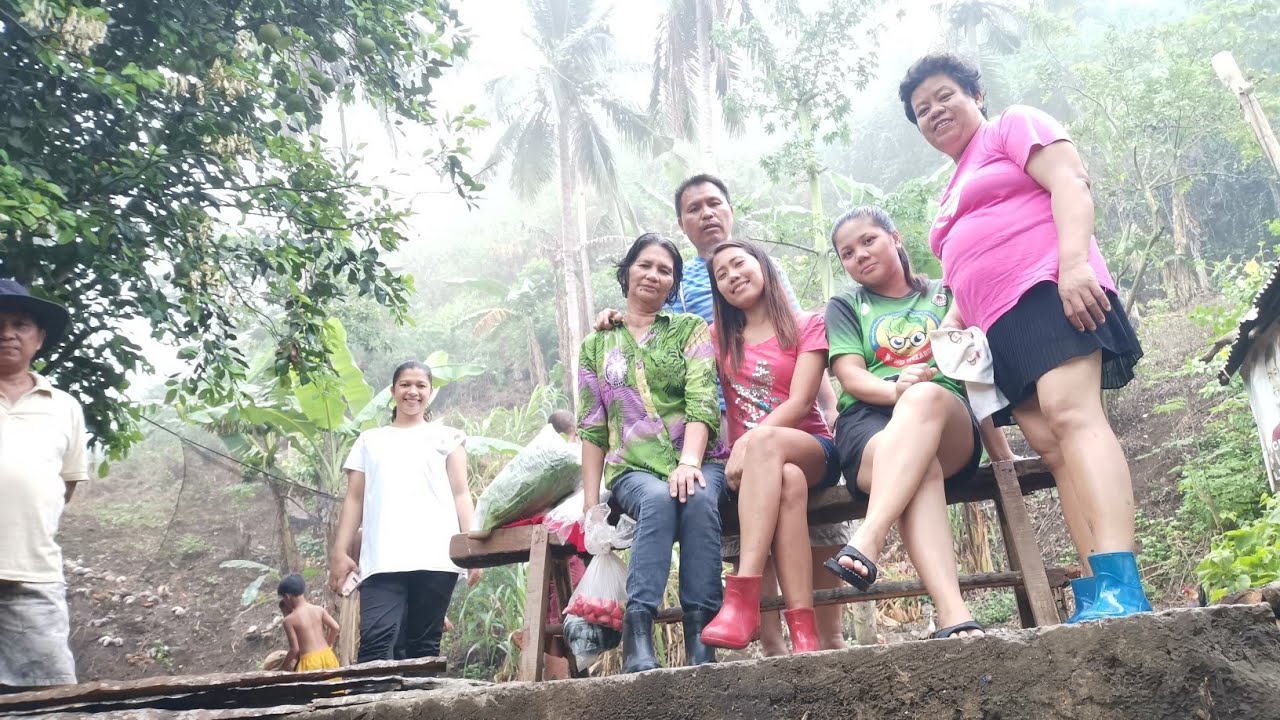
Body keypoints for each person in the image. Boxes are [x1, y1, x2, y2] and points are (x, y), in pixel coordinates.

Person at [899, 53, 1150, 621]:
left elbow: (1069, 181)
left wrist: (1073, 264)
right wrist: (941, 335)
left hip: (1047, 285)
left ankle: (1123, 583)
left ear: (976, 96)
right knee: (1054, 447)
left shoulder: (1013, 125)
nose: (934, 111)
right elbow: (965, 276)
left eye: (944, 96)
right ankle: (1098, 588)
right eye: (921, 110)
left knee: (1072, 415)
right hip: (997, 327)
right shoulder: (948, 192)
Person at [596, 174, 854, 653]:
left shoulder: (798, 316)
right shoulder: (705, 327)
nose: (707, 213)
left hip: (783, 438)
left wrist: (829, 409)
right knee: (787, 485)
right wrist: (616, 318)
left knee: (806, 509)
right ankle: (795, 638)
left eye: (715, 203)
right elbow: (651, 321)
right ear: (681, 222)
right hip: (720, 440)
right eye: (694, 208)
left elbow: (801, 380)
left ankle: (750, 598)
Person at [824, 207, 1015, 639]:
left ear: (895, 237)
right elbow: (850, 376)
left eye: (868, 240)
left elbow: (975, 369)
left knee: (926, 395)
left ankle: (869, 536)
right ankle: (954, 615)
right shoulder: (846, 305)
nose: (860, 255)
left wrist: (1000, 449)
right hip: (868, 423)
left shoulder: (947, 292)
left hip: (946, 418)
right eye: (847, 253)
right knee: (919, 464)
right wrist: (894, 389)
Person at [578, 233, 726, 673]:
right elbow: (592, 427)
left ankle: (702, 634)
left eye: (665, 270)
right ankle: (637, 633)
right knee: (658, 499)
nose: (654, 275)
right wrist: (590, 504)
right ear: (627, 273)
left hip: (699, 457)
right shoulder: (597, 345)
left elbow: (703, 400)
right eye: (645, 265)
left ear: (674, 284)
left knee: (696, 497)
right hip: (634, 468)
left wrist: (689, 463)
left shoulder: (688, 330)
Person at [697, 239, 842, 654]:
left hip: (812, 447)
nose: (731, 276)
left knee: (784, 459)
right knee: (789, 482)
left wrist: (747, 443)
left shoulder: (806, 324)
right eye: (721, 275)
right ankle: (804, 632)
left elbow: (799, 403)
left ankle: (741, 595)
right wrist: (616, 319)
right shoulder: (716, 337)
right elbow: (659, 342)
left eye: (738, 264)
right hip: (767, 466)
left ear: (762, 265)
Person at [328, 360, 482, 662]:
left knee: (424, 647)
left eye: (421, 385)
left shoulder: (449, 438)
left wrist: (473, 548)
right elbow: (354, 499)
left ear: (431, 393)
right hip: (383, 558)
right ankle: (372, 707)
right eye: (405, 385)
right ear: (392, 391)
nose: (413, 392)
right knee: (375, 641)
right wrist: (339, 551)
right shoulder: (369, 440)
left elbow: (461, 494)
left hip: (437, 558)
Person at [0, 279, 86, 689]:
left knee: (49, 700)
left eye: (20, 323)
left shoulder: (65, 407)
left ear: (39, 338)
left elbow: (64, 488)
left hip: (33, 579)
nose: (6, 333)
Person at [279, 574, 341, 671]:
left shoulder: (289, 620)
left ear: (287, 596)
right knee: (335, 685)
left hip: (310, 663)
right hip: (328, 656)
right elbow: (335, 627)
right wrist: (328, 644)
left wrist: (282, 667)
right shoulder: (319, 610)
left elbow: (294, 649)